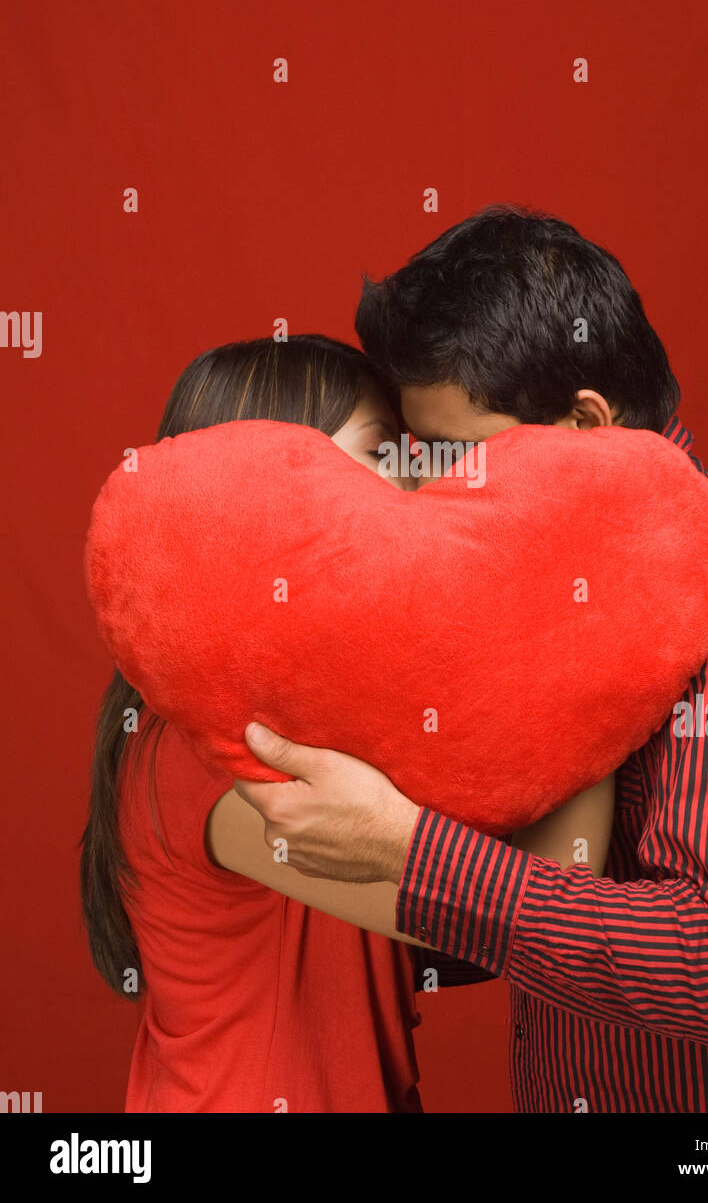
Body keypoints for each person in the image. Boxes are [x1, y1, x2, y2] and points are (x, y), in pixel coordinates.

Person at [233, 204, 708, 1113]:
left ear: (585, 423)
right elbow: (542, 882)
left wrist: (411, 852)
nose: (436, 488)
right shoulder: (548, 575)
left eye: (463, 454)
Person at [79, 332, 618, 1113]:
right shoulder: (219, 754)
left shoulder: (308, 706)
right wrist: (602, 613)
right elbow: (550, 896)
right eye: (376, 456)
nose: (411, 485)